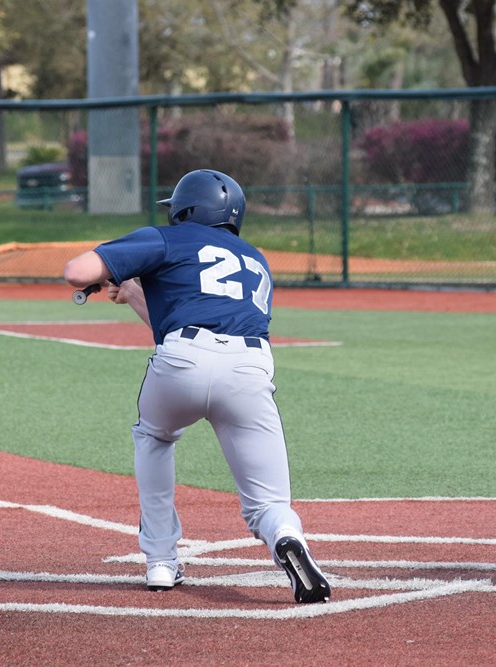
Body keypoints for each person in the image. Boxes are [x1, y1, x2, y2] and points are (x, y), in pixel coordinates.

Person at [64, 169, 331, 604]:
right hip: (250, 368)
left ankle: (160, 560)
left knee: (154, 436)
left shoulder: (167, 238)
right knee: (267, 502)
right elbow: (185, 314)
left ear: (186, 210)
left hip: (183, 361)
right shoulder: (255, 259)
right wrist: (131, 290)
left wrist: (116, 271)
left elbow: (77, 271)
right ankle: (287, 536)